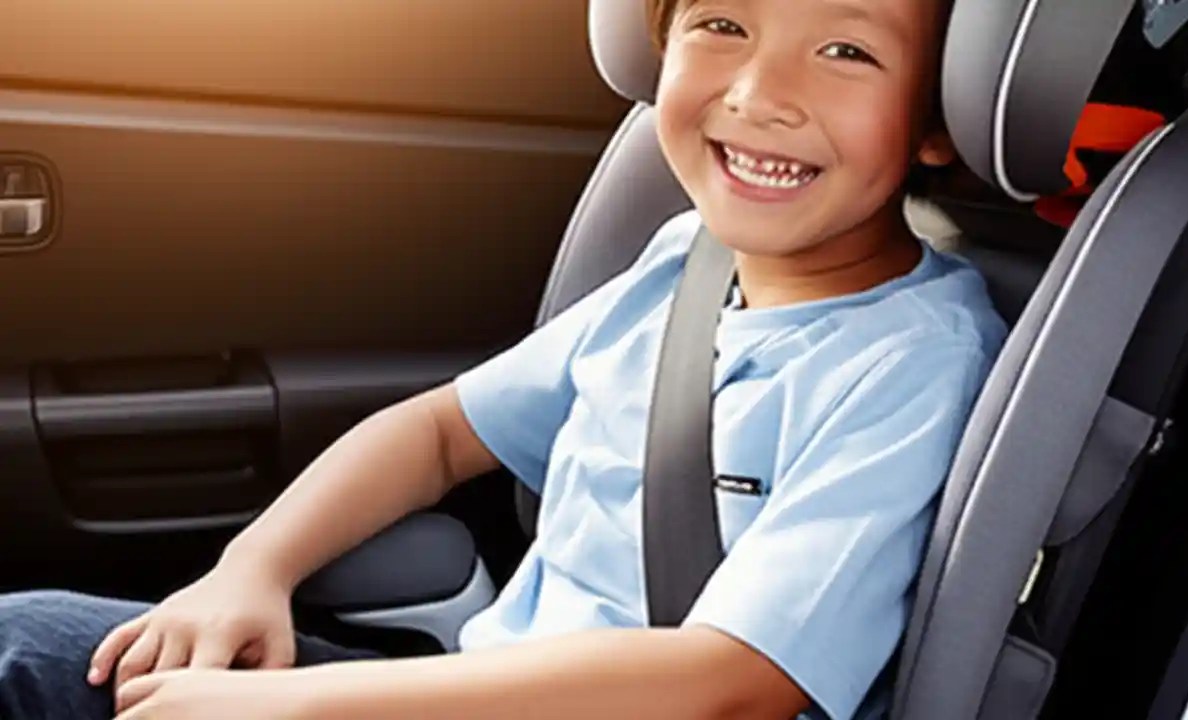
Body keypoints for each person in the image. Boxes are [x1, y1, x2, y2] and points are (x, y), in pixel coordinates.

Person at [0, 0, 1007, 717]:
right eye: (720, 25)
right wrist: (248, 571)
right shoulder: (684, 262)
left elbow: (727, 682)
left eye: (843, 49)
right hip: (480, 687)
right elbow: (438, 432)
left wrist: (303, 705)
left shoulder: (914, 364)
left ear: (934, 116)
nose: (758, 91)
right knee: (28, 641)